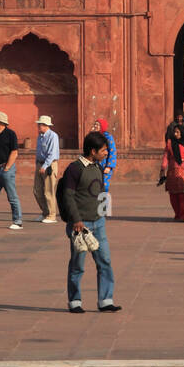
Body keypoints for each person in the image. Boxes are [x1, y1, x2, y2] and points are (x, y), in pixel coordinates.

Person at [58, 130, 120, 313]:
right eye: (103, 150)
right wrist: (76, 220)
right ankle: (75, 301)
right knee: (78, 264)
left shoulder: (98, 167)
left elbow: (100, 191)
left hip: (97, 223)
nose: (106, 153)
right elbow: (68, 196)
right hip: (81, 225)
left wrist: (104, 214)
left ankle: (105, 300)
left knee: (105, 261)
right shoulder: (74, 169)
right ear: (92, 151)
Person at [159, 124, 184, 221]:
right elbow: (166, 157)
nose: (175, 134)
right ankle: (177, 213)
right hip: (172, 173)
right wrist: (163, 169)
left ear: (182, 133)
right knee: (174, 195)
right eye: (174, 132)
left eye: (177, 132)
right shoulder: (170, 144)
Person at [34, 115, 60, 223]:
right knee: (37, 190)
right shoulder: (40, 137)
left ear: (45, 125)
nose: (38, 126)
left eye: (40, 124)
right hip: (40, 164)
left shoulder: (53, 136)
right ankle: (45, 212)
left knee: (48, 191)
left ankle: (52, 215)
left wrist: (45, 166)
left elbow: (52, 153)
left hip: (49, 165)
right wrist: (38, 164)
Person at [91, 116, 117, 199]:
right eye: (95, 124)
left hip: (105, 165)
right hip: (96, 164)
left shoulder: (108, 137)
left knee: (104, 186)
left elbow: (112, 151)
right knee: (94, 185)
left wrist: (109, 166)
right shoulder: (94, 136)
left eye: (98, 125)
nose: (95, 126)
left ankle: (103, 207)